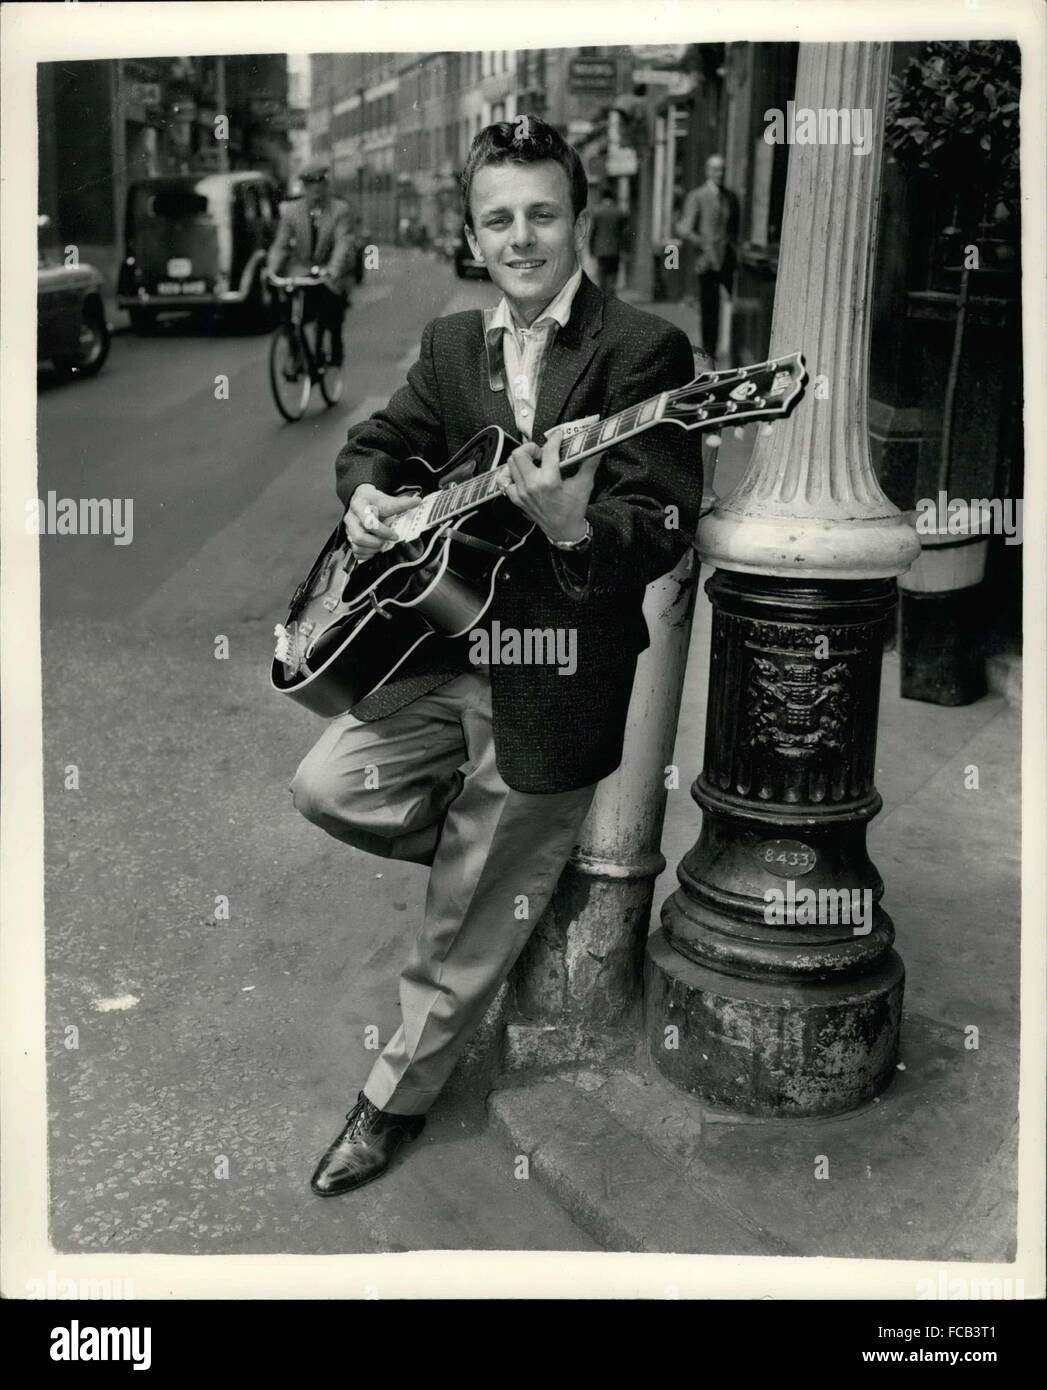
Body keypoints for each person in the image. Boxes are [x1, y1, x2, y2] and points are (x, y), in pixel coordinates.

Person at [289, 118, 703, 1198]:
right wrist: (371, 495)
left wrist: (574, 527)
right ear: (474, 232)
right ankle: (501, 871)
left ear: (579, 220)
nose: (522, 237)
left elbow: (659, 520)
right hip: (447, 654)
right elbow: (375, 444)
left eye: (542, 215)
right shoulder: (452, 347)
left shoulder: (642, 353)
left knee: (465, 912)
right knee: (328, 784)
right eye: (500, 218)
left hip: (559, 676)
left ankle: (393, 1101)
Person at [266, 158, 354, 366]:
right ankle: (296, 351)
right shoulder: (292, 212)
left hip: (330, 269)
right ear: (304, 187)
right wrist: (272, 269)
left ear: (326, 185)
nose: (315, 190)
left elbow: (343, 243)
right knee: (287, 309)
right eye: (309, 185)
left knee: (331, 307)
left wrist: (333, 269)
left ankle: (335, 344)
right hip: (302, 269)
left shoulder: (340, 210)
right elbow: (281, 245)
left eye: (319, 184)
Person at [677, 154, 740, 363]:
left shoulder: (730, 197)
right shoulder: (698, 196)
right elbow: (685, 228)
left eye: (722, 169)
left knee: (730, 305)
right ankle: (709, 353)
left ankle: (727, 350)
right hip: (707, 261)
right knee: (709, 307)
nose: (719, 174)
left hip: (727, 259)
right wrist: (703, 245)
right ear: (707, 171)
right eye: (715, 170)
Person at [588, 186, 629, 295]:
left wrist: (591, 248)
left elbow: (593, 231)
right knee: (613, 272)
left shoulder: (597, 211)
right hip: (615, 249)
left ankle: (603, 294)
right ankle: (611, 292)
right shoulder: (618, 211)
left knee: (602, 273)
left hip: (600, 249)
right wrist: (624, 248)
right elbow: (623, 232)